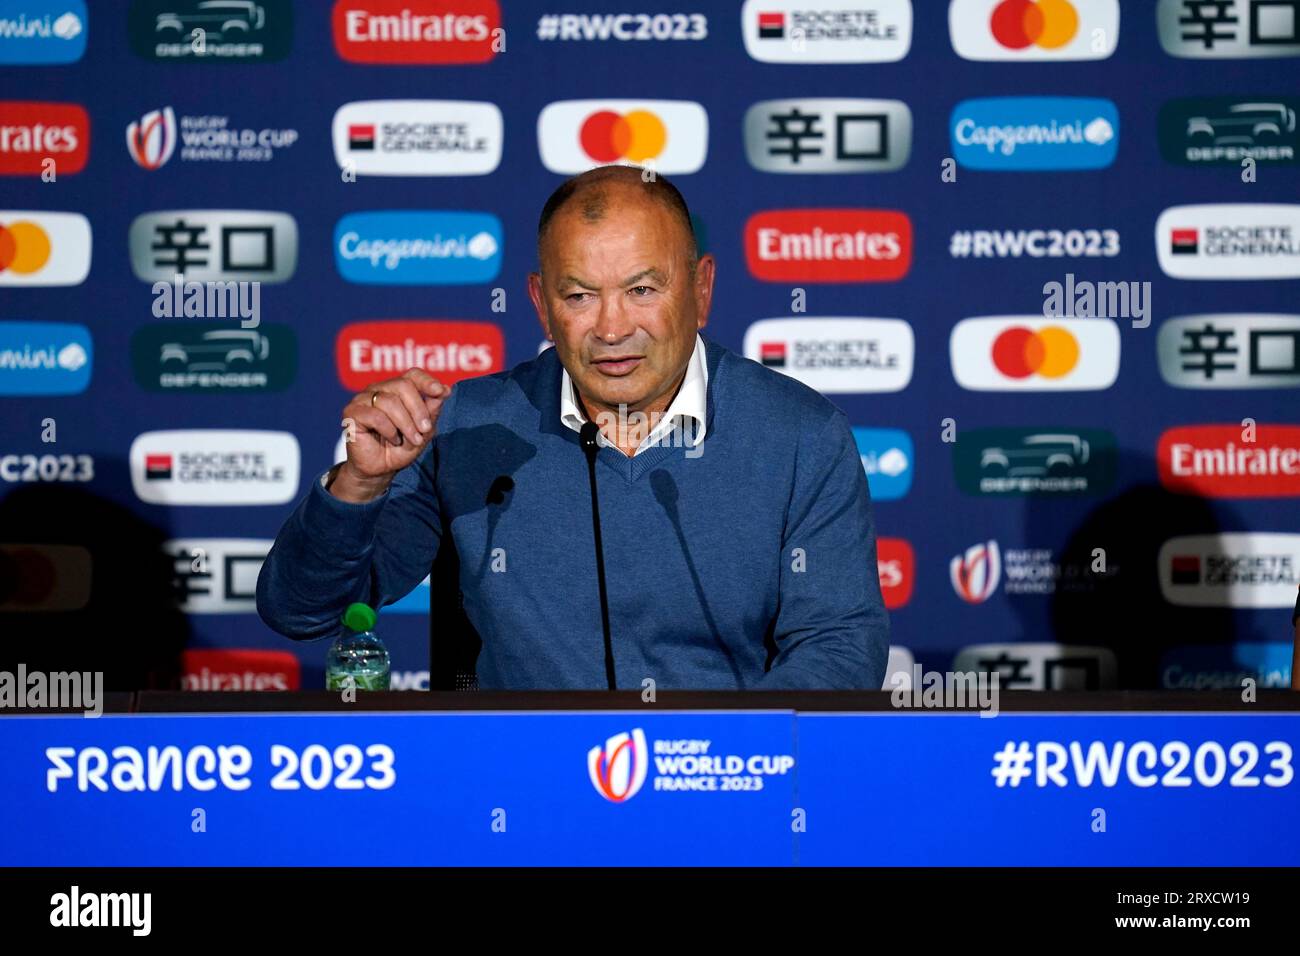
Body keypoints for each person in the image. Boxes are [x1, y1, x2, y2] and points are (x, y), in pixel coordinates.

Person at [256, 164, 890, 689]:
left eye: (643, 290)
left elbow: (837, 651)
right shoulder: (465, 428)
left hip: (717, 790)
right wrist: (358, 487)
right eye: (579, 296)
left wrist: (707, 761)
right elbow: (304, 611)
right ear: (540, 303)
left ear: (701, 290)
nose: (612, 330)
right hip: (521, 801)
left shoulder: (802, 435)